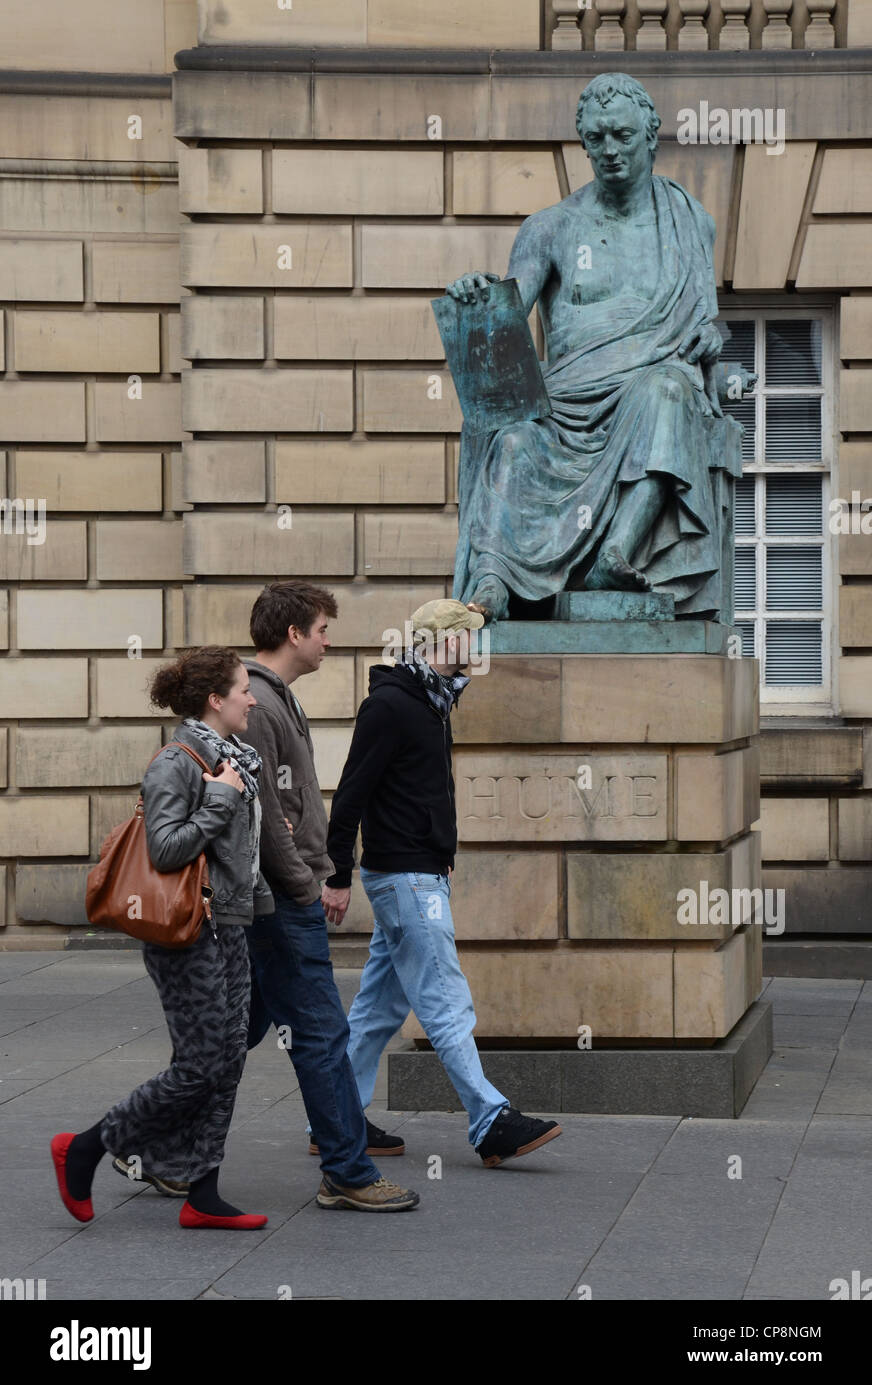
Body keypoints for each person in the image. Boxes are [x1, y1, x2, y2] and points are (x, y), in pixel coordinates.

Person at [446, 72, 727, 623]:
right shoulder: (549, 228)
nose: (610, 151)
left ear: (652, 136)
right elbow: (505, 321)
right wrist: (476, 298)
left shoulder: (690, 222)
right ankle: (493, 582)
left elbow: (702, 329)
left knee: (668, 390)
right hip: (563, 405)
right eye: (596, 139)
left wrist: (711, 340)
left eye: (622, 136)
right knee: (514, 442)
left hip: (647, 396)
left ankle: (616, 553)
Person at [322, 598, 563, 1167]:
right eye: (470, 639)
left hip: (418, 870)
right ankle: (490, 1120)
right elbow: (350, 794)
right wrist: (335, 874)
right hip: (404, 878)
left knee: (378, 1009)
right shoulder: (390, 706)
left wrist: (440, 849)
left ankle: (334, 1119)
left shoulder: (432, 700)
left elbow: (420, 791)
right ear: (447, 643)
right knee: (447, 1000)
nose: (478, 651)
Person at [50, 647, 272, 1230]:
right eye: (243, 688)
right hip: (185, 934)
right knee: (198, 1067)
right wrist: (222, 799)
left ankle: (203, 1191)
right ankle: (89, 1147)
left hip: (229, 926)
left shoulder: (233, 760)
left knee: (226, 1064)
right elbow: (168, 848)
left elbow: (237, 859)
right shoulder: (176, 763)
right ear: (215, 700)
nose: (252, 698)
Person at [243, 580, 419, 1213]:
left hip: (279, 895)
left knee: (236, 1033)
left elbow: (281, 805)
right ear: (293, 634)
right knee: (320, 1033)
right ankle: (346, 1168)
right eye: (321, 629)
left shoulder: (272, 697)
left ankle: (162, 1150)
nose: (327, 640)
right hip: (281, 901)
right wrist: (305, 883)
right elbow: (263, 815)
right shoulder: (259, 704)